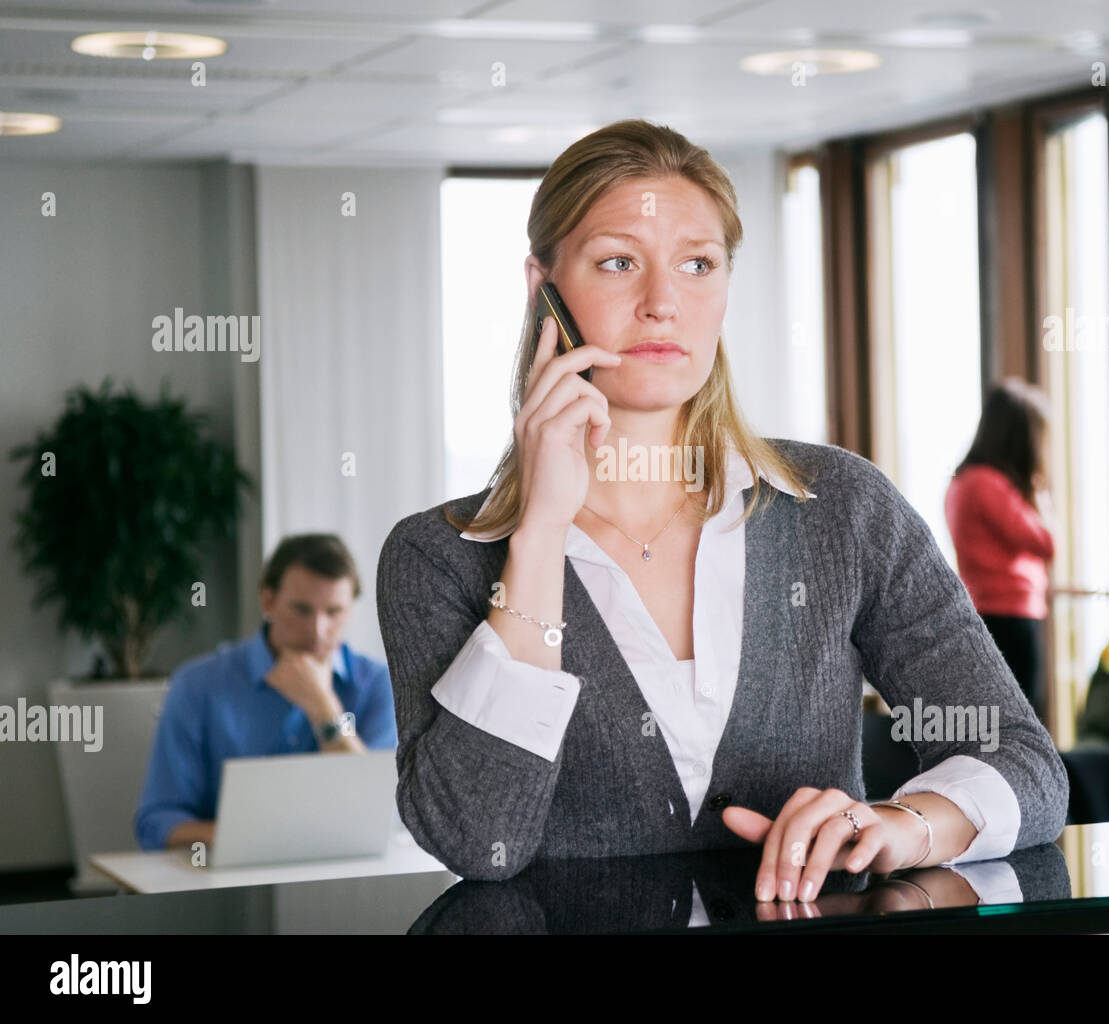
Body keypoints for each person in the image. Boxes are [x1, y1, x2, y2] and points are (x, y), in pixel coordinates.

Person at [377, 119, 1067, 905]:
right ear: (546, 290)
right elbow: (477, 839)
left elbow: (1025, 762)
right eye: (618, 263)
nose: (662, 303)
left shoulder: (839, 508)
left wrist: (908, 823)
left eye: (697, 265)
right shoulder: (438, 556)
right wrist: (538, 535)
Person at [135, 533, 398, 851]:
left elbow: (374, 812)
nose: (317, 631)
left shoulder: (377, 684)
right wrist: (258, 841)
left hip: (340, 882)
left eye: (333, 612)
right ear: (268, 601)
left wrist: (324, 708)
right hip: (224, 881)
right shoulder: (197, 685)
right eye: (302, 610)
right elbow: (158, 821)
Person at [945, 379, 1055, 722]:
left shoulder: (963, 481)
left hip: (988, 611)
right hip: (1010, 615)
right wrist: (1040, 493)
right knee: (1022, 722)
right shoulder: (989, 485)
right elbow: (1046, 541)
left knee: (1003, 720)